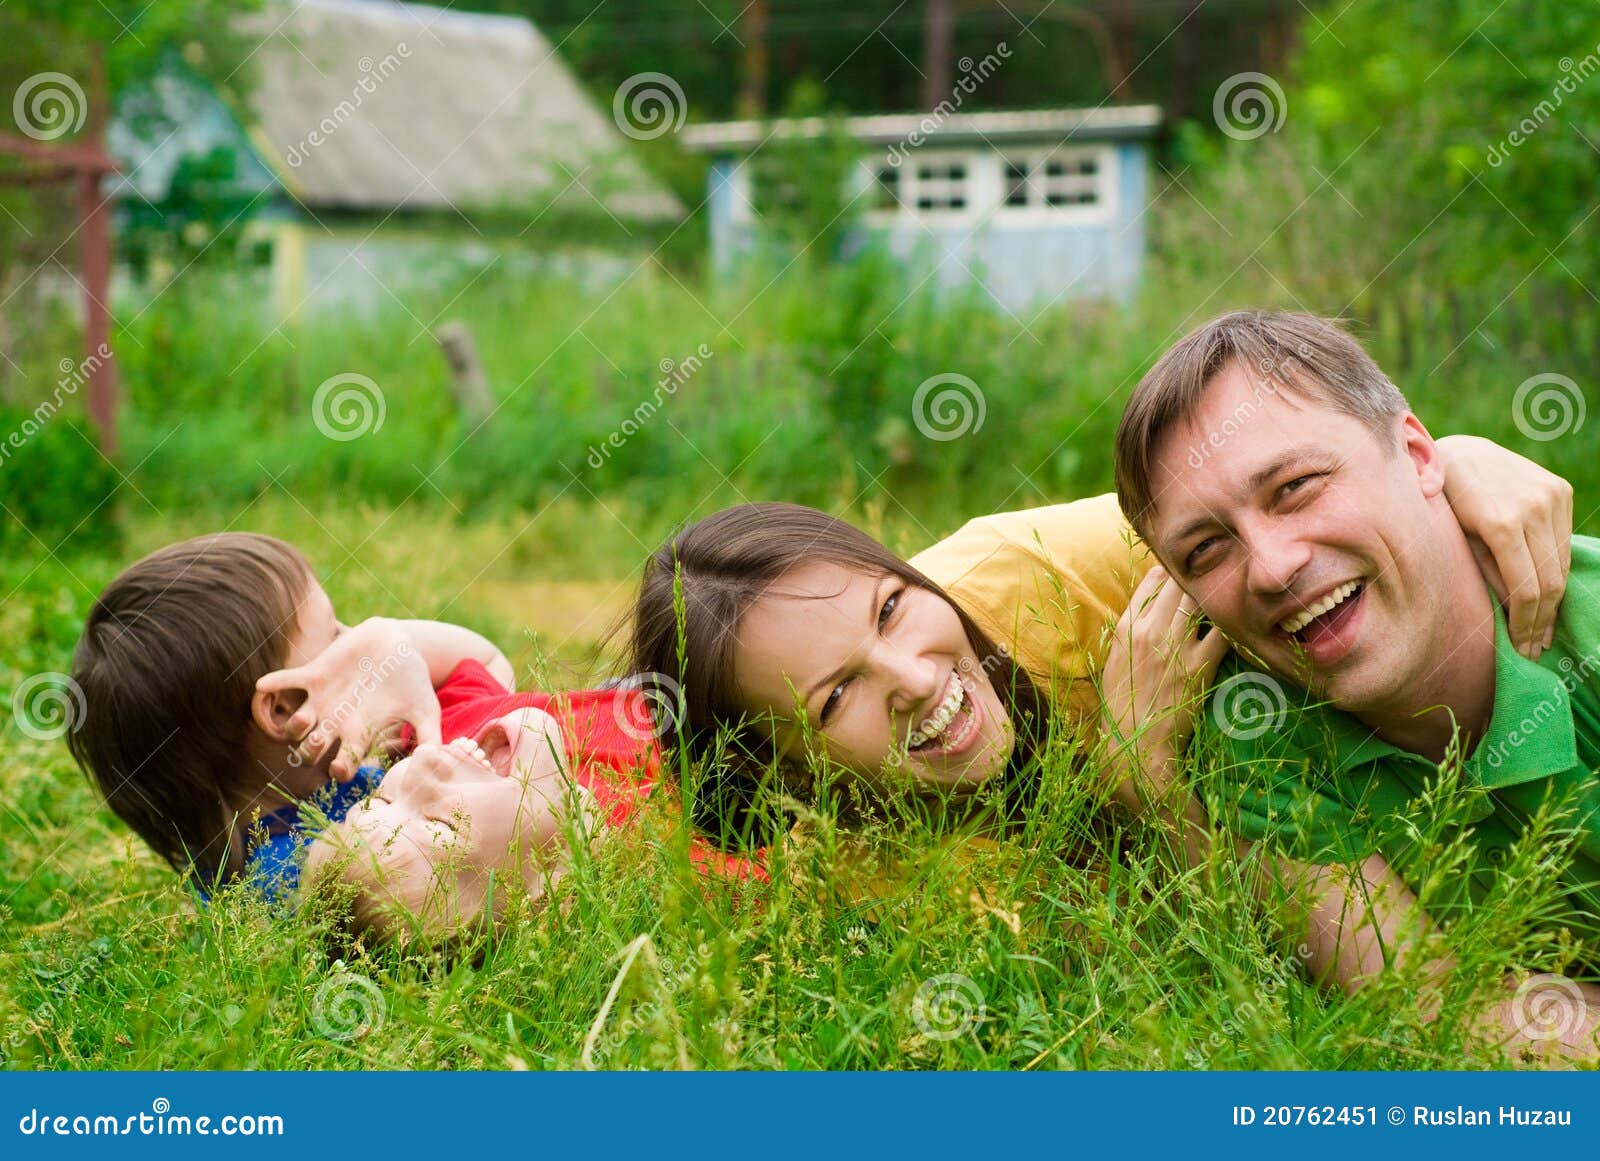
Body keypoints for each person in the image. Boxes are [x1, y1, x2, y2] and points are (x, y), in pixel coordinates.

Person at [622, 436, 1571, 865]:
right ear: (785, 769)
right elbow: (1193, 958)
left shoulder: (1050, 570)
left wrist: (1459, 460)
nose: (913, 676)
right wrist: (1140, 781)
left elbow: (1295, 503)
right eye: (834, 700)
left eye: (891, 608)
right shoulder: (858, 873)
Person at [1112, 308, 1600, 1062]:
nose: (1272, 567)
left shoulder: (1588, 635)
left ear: (1418, 454)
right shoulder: (1258, 739)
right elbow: (1437, 1015)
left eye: (1296, 487)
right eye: (1207, 549)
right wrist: (1140, 766)